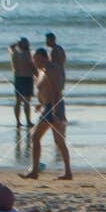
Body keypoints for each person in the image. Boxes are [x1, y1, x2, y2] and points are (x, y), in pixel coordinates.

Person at [21, 48, 71, 181]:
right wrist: (41, 104)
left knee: (36, 137)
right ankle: (68, 173)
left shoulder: (50, 69)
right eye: (33, 58)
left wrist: (55, 112)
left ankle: (35, 171)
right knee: (58, 141)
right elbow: (46, 90)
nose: (34, 61)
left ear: (44, 57)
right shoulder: (43, 70)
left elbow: (55, 90)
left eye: (36, 58)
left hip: (53, 107)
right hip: (49, 106)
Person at [8, 38, 34, 127]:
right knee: (24, 101)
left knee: (20, 101)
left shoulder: (15, 53)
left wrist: (16, 44)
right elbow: (33, 67)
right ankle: (25, 121)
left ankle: (20, 122)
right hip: (25, 78)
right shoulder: (27, 54)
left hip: (20, 78)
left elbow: (10, 47)